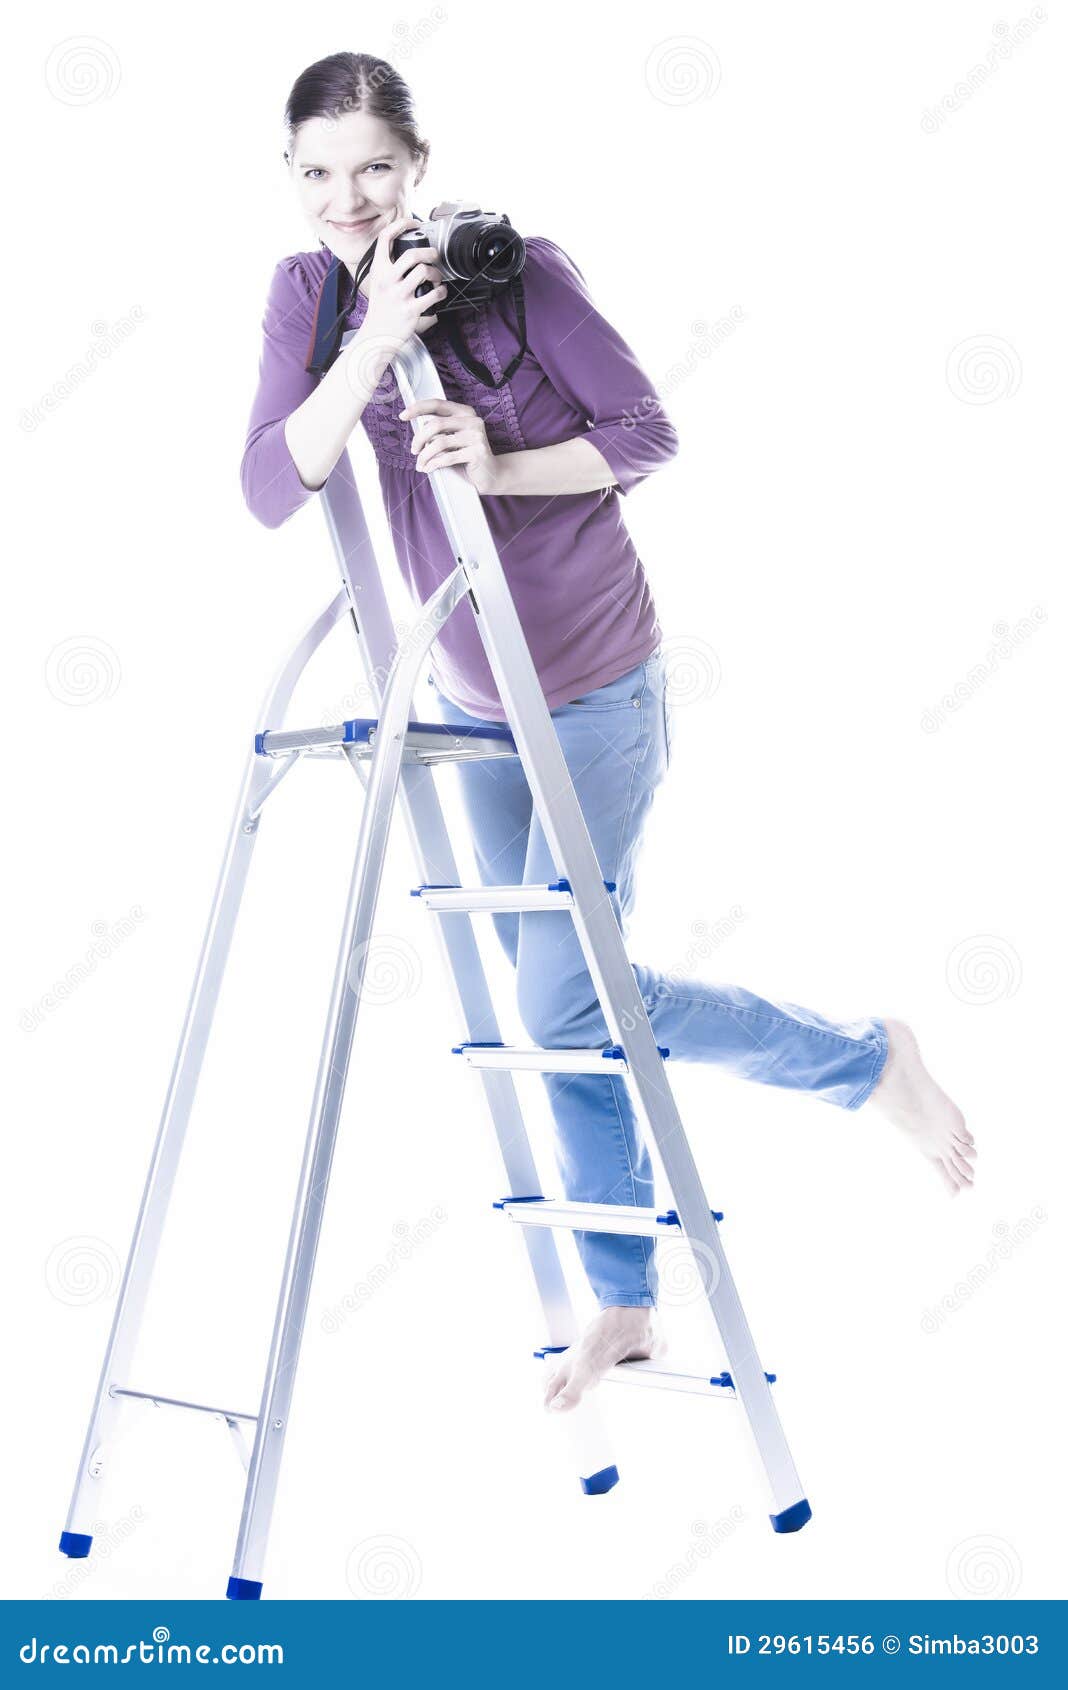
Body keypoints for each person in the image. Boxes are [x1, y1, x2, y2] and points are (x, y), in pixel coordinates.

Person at [241, 51, 976, 1416]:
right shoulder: (309, 298)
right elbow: (274, 481)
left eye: (376, 170)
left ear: (419, 164)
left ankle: (868, 1061)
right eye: (320, 174)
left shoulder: (514, 268)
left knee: (565, 999)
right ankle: (627, 1302)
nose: (348, 200)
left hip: (590, 686)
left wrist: (501, 461)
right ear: (293, 176)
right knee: (567, 1006)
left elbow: (646, 430)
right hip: (475, 704)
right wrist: (375, 344)